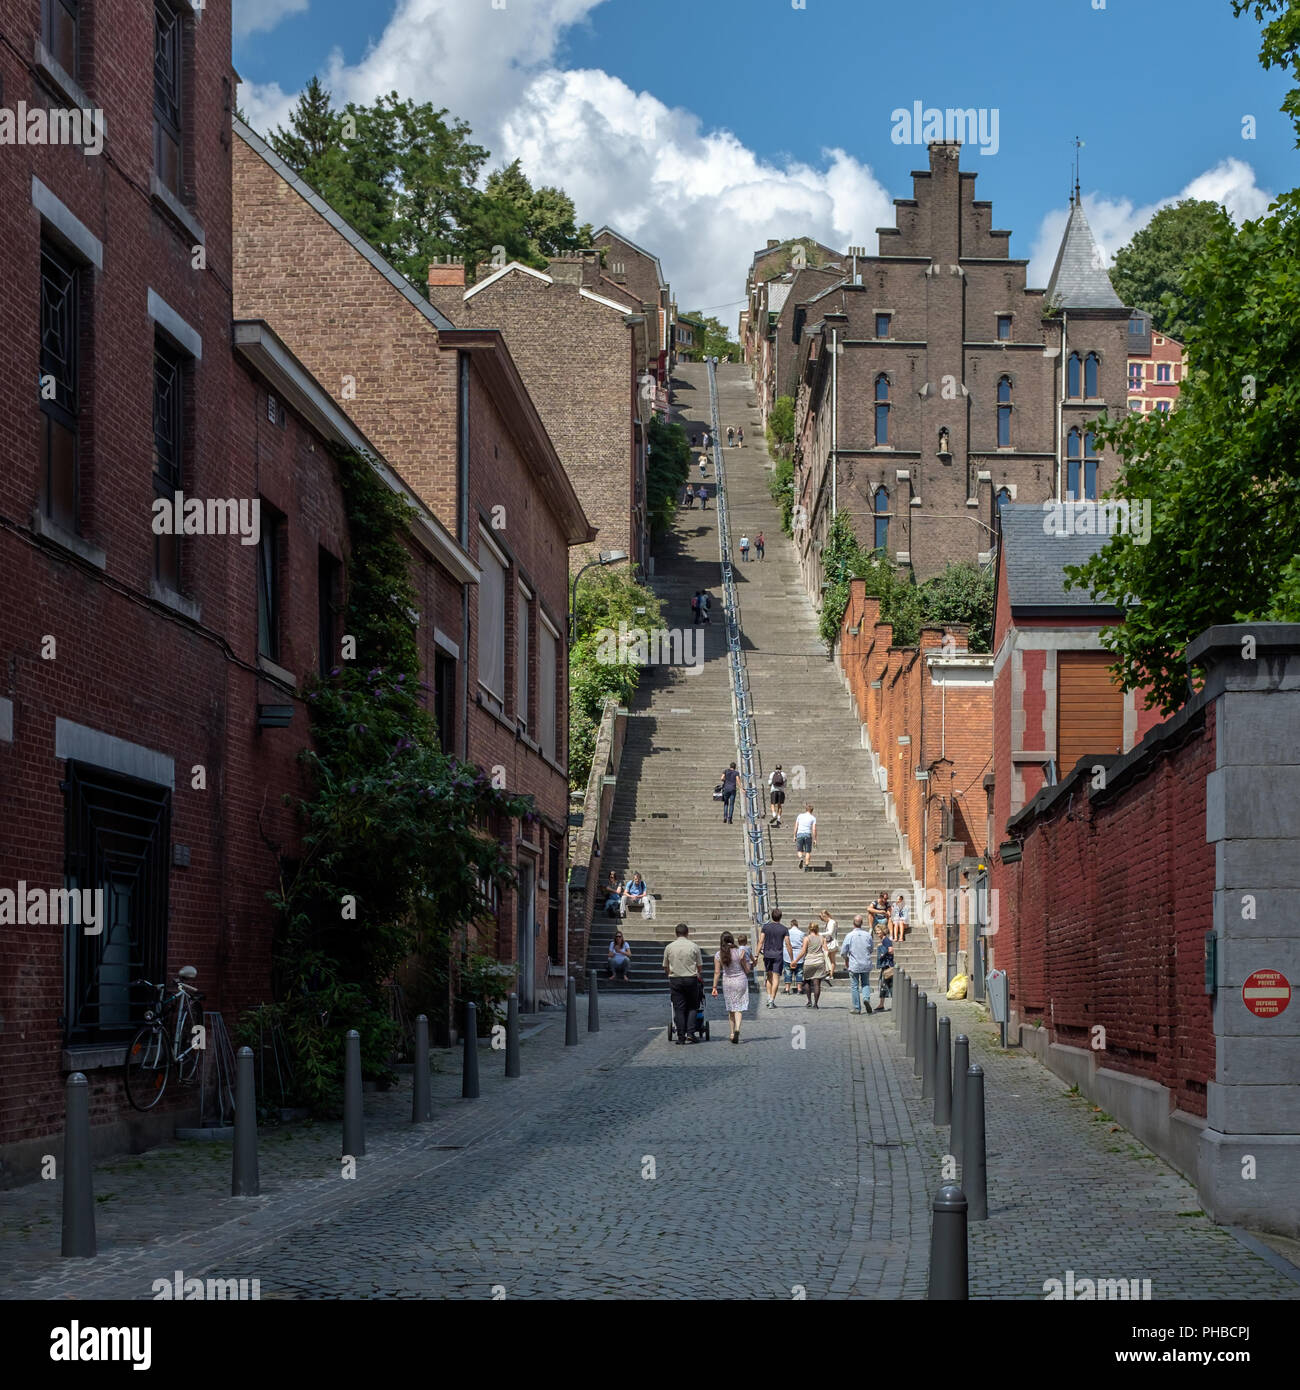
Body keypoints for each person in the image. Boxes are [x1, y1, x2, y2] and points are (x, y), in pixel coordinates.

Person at [664, 923, 703, 1044]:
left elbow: (665, 966)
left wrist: (670, 974)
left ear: (676, 934)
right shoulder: (694, 946)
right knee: (692, 1006)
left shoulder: (669, 947)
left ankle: (681, 1036)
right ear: (687, 933)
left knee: (679, 1008)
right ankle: (691, 1033)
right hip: (691, 979)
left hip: (675, 979)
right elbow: (699, 966)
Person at [712, 930, 752, 1043]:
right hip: (741, 981)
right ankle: (738, 1029)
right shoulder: (740, 952)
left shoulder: (718, 954)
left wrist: (714, 987)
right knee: (739, 1008)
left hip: (728, 982)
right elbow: (747, 970)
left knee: (731, 1008)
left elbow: (717, 972)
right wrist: (748, 962)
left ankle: (732, 1032)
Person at [840, 915, 874, 1015]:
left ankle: (856, 1007)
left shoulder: (849, 936)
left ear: (853, 923)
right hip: (865, 963)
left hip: (854, 964)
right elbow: (871, 949)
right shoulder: (867, 935)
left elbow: (843, 952)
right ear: (862, 923)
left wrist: (846, 959)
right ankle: (866, 998)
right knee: (866, 983)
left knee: (854, 986)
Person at [790, 919, 828, 1008]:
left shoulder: (806, 938)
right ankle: (816, 1004)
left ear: (809, 929)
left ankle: (809, 1001)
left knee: (806, 981)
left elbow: (803, 951)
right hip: (819, 961)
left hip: (809, 962)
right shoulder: (822, 938)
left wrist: (795, 961)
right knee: (817, 983)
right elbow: (826, 950)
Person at [759, 908, 788, 1008]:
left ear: (771, 916)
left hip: (767, 954)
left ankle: (768, 996)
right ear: (780, 917)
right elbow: (788, 944)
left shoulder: (765, 927)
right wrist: (792, 957)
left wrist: (756, 954)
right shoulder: (784, 929)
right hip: (778, 955)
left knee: (769, 977)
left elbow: (760, 941)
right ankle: (771, 1000)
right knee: (776, 978)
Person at [784, 917, 805, 995]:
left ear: (791, 925)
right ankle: (799, 989)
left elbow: (785, 944)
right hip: (799, 955)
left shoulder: (787, 932)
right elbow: (804, 945)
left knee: (787, 972)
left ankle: (787, 989)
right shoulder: (802, 933)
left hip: (788, 955)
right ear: (797, 925)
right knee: (799, 972)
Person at [794, 803, 817, 872]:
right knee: (808, 851)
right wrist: (815, 839)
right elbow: (814, 829)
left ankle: (801, 858)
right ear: (812, 811)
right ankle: (806, 866)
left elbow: (796, 826)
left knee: (799, 850)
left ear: (806, 809)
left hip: (800, 834)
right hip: (808, 835)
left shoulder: (800, 816)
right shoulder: (813, 818)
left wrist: (794, 835)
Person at [876, 929, 895, 1009]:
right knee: (884, 985)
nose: (877, 933)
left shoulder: (886, 940)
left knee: (889, 985)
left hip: (887, 966)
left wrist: (883, 953)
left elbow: (891, 950)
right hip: (885, 966)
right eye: (876, 931)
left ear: (883, 931)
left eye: (878, 931)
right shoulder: (884, 940)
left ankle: (894, 1003)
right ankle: (881, 1004)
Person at [819, 908, 839, 984]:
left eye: (822, 919)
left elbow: (830, 932)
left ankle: (831, 974)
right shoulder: (829, 922)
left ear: (825, 916)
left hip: (832, 942)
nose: (823, 920)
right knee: (829, 958)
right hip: (829, 942)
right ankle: (829, 973)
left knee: (831, 959)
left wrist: (821, 934)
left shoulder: (831, 922)